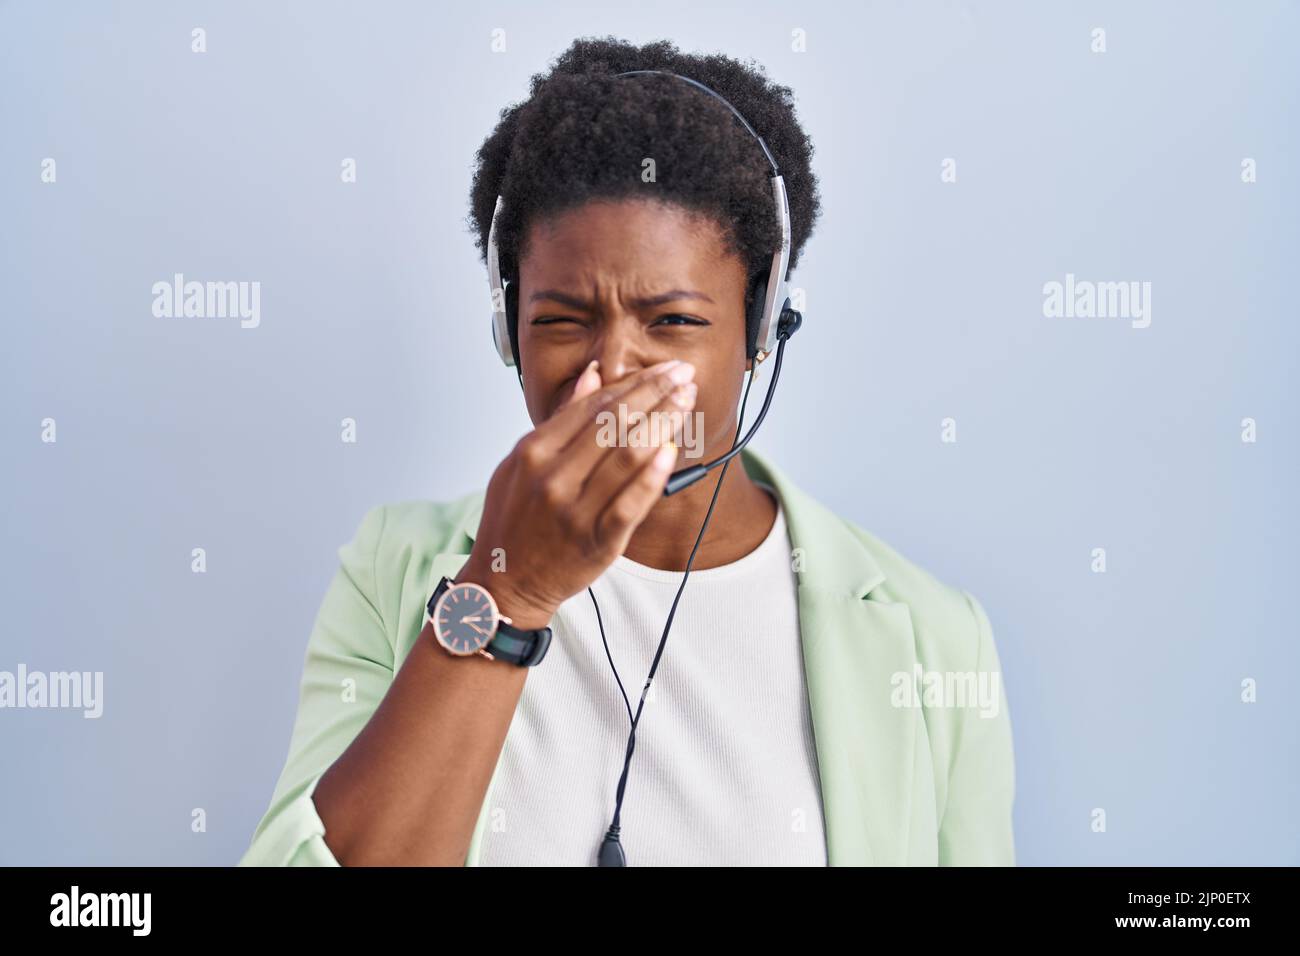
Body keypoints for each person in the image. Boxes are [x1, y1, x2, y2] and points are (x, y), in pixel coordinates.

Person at [239, 36, 1015, 867]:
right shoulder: (394, 567)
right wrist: (507, 589)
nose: (609, 372)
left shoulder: (935, 637)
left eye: (673, 321)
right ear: (509, 332)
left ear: (759, 332)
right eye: (562, 320)